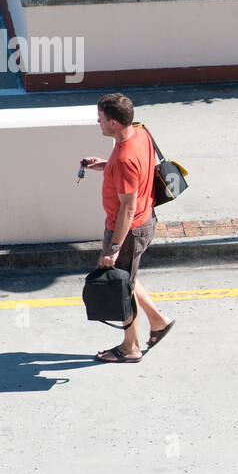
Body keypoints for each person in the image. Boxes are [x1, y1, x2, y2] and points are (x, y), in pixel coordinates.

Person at [81, 93, 175, 362]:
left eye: (100, 118)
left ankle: (130, 348)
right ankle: (158, 322)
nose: (97, 122)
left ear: (113, 122)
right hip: (146, 221)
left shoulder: (123, 159)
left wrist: (112, 248)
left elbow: (127, 208)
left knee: (121, 287)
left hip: (128, 230)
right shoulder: (139, 133)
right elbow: (134, 171)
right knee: (128, 279)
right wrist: (102, 165)